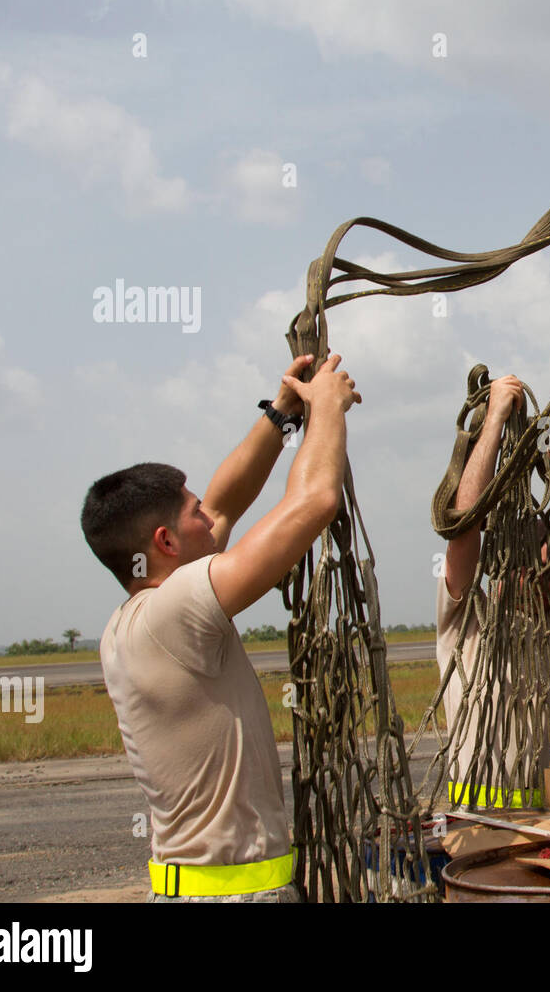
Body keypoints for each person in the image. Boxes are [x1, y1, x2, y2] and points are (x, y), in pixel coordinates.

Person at [80, 353, 361, 902]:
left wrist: (281, 414)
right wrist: (328, 407)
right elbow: (313, 502)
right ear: (165, 542)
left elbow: (227, 501)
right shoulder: (175, 611)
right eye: (193, 514)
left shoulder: (138, 619)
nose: (209, 517)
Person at [436, 374, 550, 808]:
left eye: (548, 534)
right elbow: (464, 521)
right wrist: (494, 421)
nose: (542, 544)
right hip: (479, 817)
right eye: (527, 537)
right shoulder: (467, 613)